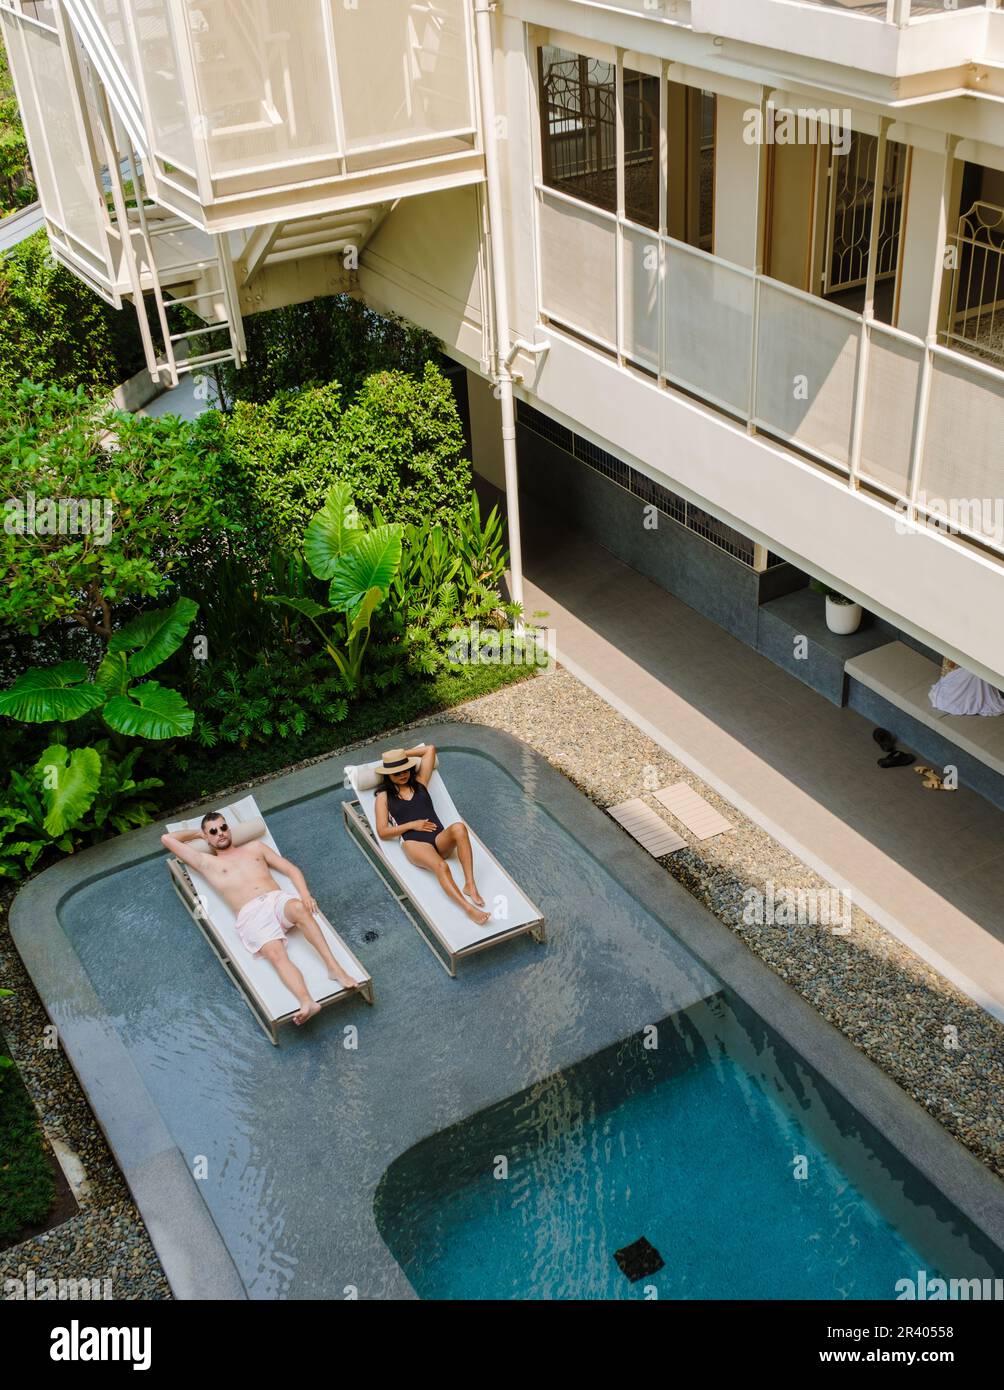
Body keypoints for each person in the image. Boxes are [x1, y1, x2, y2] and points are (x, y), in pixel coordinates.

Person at [161, 814, 355, 1025]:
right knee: (276, 954)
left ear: (230, 829)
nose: (221, 833)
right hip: (251, 915)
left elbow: (291, 870)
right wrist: (197, 833)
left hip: (276, 901)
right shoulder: (206, 862)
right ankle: (307, 1001)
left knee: (299, 907)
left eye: (223, 827)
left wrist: (305, 894)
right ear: (207, 838)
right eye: (213, 831)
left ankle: (335, 968)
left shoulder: (255, 848)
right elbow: (167, 840)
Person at [373, 745, 491, 926]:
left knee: (459, 827)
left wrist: (403, 755)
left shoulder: (420, 782)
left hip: (438, 837)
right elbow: (382, 832)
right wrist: (413, 824)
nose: (403, 775)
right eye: (397, 773)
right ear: (388, 775)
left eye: (405, 770)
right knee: (441, 866)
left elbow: (429, 750)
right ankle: (468, 909)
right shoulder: (384, 796)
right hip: (414, 842)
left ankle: (470, 884)